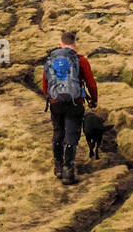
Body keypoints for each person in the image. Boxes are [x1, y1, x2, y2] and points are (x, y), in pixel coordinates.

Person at [42, 31, 98, 185]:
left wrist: (53, 98)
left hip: (55, 103)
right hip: (75, 102)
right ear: (75, 44)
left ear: (61, 44)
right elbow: (91, 84)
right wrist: (93, 100)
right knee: (71, 135)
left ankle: (58, 167)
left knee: (58, 132)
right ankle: (68, 171)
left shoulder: (51, 59)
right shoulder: (80, 60)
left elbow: (44, 84)